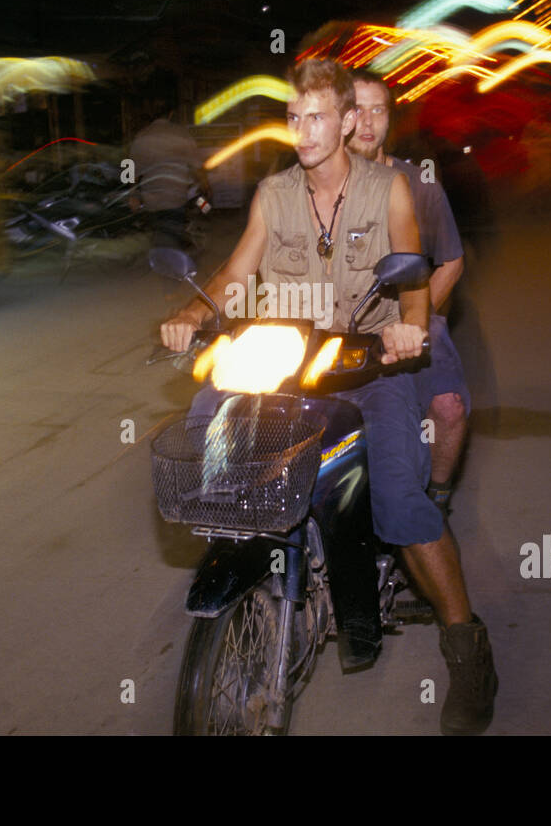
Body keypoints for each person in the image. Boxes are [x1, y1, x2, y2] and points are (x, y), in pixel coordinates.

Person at [159, 59, 497, 735]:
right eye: (292, 115)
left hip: (370, 366)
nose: (301, 129)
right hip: (288, 361)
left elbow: (413, 272)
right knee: (213, 438)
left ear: (346, 122)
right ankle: (255, 576)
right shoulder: (272, 194)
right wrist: (192, 315)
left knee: (402, 505)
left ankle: (468, 648)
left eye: (316, 116)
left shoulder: (389, 190)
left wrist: (409, 321)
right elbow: (235, 270)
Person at [347, 68, 469, 516]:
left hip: (407, 321)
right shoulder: (315, 184)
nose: (367, 122)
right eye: (356, 109)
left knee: (448, 407)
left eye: (377, 110)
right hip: (335, 325)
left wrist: (416, 322)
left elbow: (452, 261)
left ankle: (436, 495)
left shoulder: (419, 183)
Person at [128, 109, 209, 254]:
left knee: (159, 230)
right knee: (199, 209)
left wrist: (132, 195)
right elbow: (197, 165)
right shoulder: (182, 134)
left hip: (151, 199)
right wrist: (206, 185)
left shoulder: (141, 136)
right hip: (177, 196)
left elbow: (129, 169)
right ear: (171, 113)